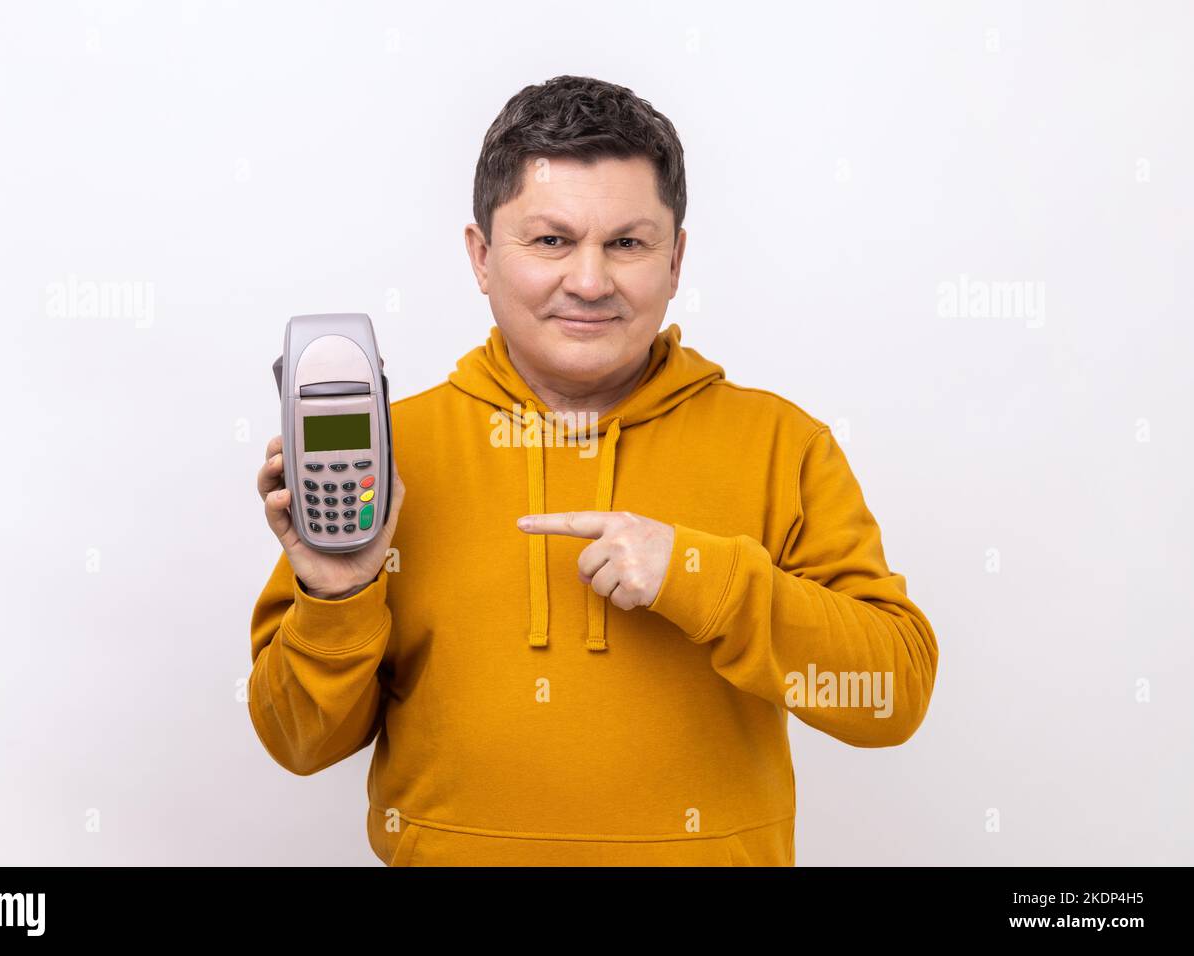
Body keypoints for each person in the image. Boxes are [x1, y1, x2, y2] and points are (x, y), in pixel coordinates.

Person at [248, 75, 939, 866]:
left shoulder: (782, 443)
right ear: (480, 256)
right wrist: (339, 595)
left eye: (627, 243)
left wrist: (705, 578)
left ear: (675, 260)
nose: (589, 281)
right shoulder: (387, 455)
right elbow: (299, 744)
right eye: (550, 241)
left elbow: (890, 699)